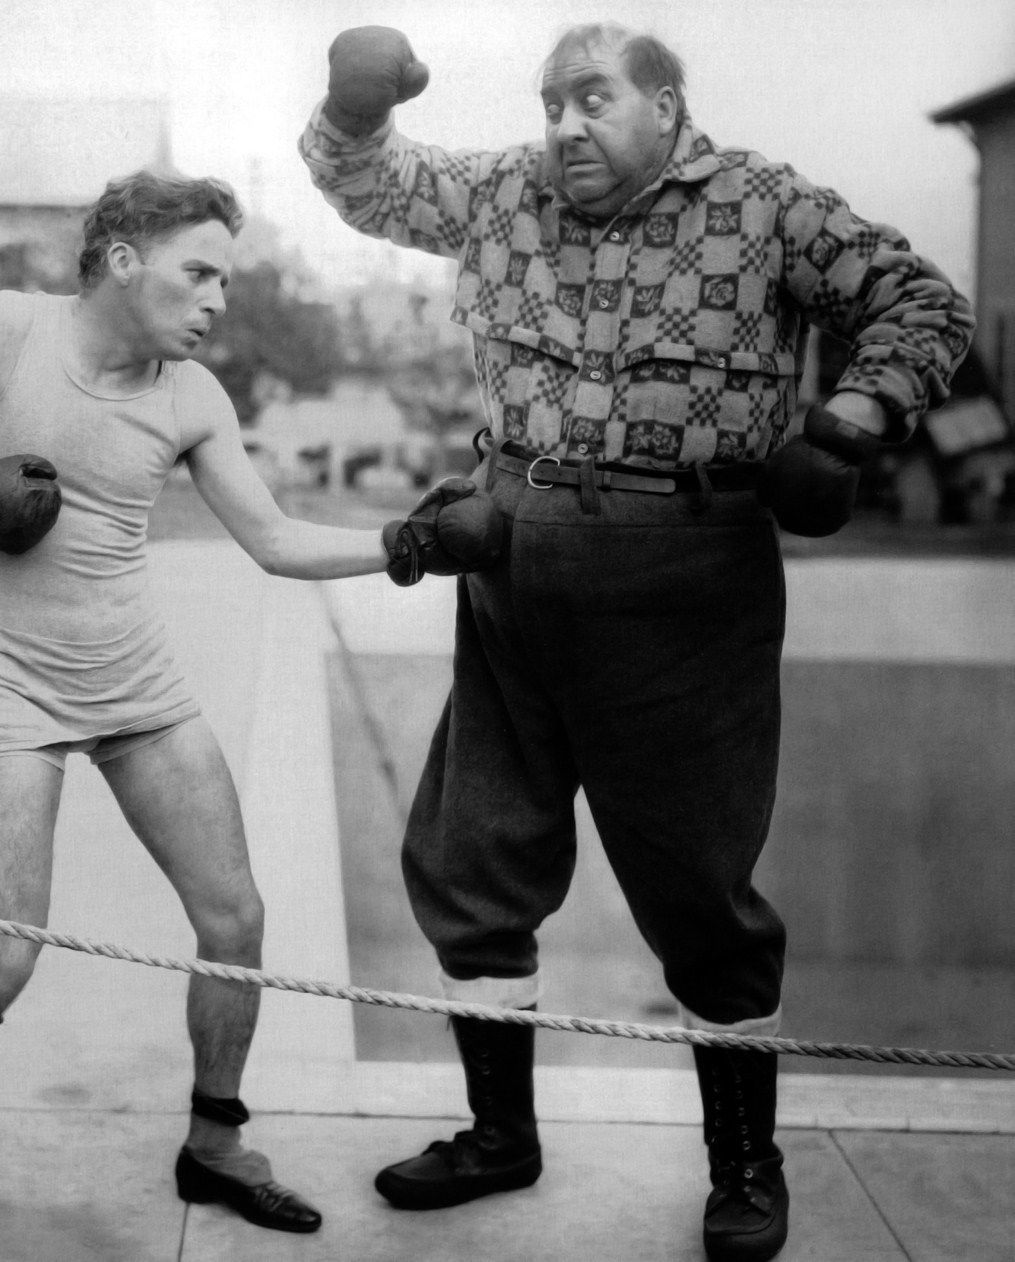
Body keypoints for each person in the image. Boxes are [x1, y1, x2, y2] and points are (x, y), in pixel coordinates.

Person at [299, 21, 972, 1262]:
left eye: (593, 99)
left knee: (698, 887)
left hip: (688, 586)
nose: (564, 124)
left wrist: (853, 416)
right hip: (511, 569)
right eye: (551, 102)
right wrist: (353, 107)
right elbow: (373, 184)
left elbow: (923, 300)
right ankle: (500, 1132)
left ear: (665, 105)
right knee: (471, 854)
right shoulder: (506, 190)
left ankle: (745, 1163)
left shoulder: (762, 204)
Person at [0, 168, 490, 1262]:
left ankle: (214, 1142)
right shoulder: (9, 329)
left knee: (234, 919)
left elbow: (273, 540)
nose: (218, 299)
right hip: (17, 684)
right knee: (3, 957)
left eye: (226, 279)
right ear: (126, 261)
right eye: (202, 273)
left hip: (138, 688)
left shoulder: (191, 396)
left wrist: (405, 545)